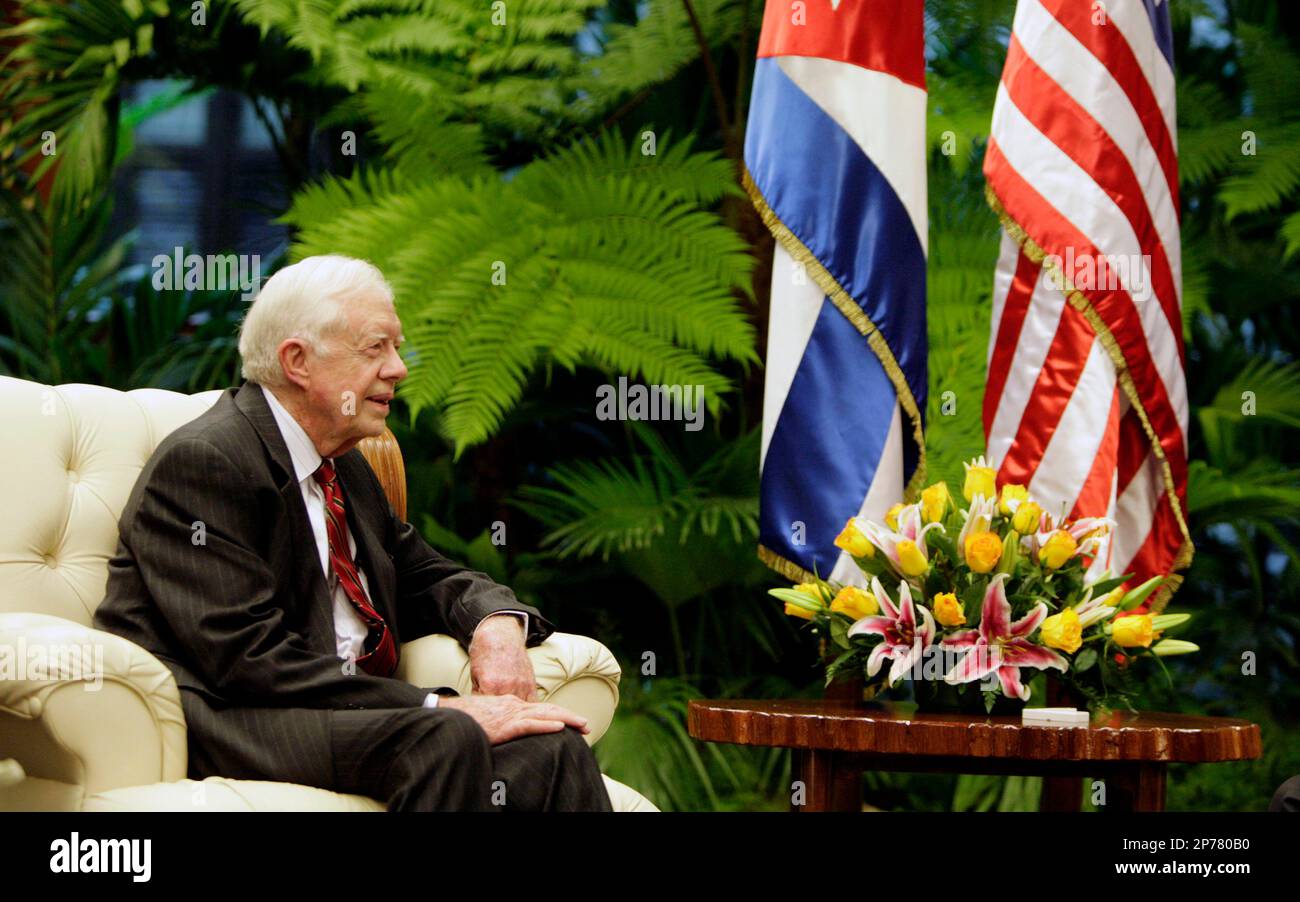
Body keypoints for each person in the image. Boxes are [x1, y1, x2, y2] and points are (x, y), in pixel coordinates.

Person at [94, 254, 612, 812]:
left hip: (345, 711)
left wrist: (496, 624)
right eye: (376, 348)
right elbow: (248, 658)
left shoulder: (343, 467)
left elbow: (427, 575)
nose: (399, 368)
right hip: (239, 715)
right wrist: (434, 706)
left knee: (555, 746)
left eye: (396, 347)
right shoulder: (207, 461)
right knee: (447, 737)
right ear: (299, 361)